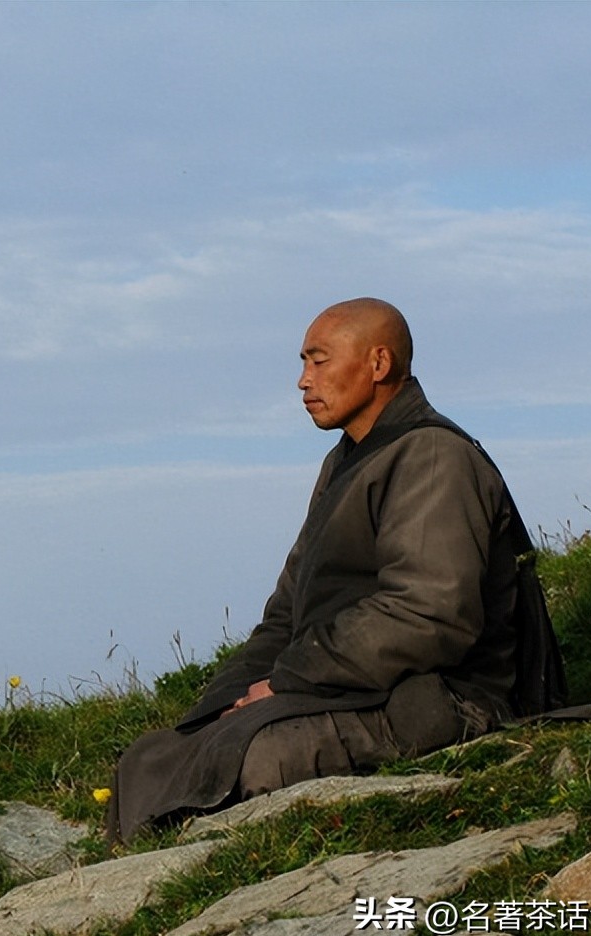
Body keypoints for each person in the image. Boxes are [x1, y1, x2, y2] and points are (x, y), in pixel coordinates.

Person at [106, 297, 522, 844]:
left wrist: (285, 681)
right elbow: (287, 615)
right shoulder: (344, 463)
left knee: (259, 755)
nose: (303, 381)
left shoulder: (434, 457)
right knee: (157, 753)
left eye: (319, 361)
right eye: (303, 363)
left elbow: (430, 615)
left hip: (447, 695)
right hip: (349, 683)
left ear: (378, 365)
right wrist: (227, 699)